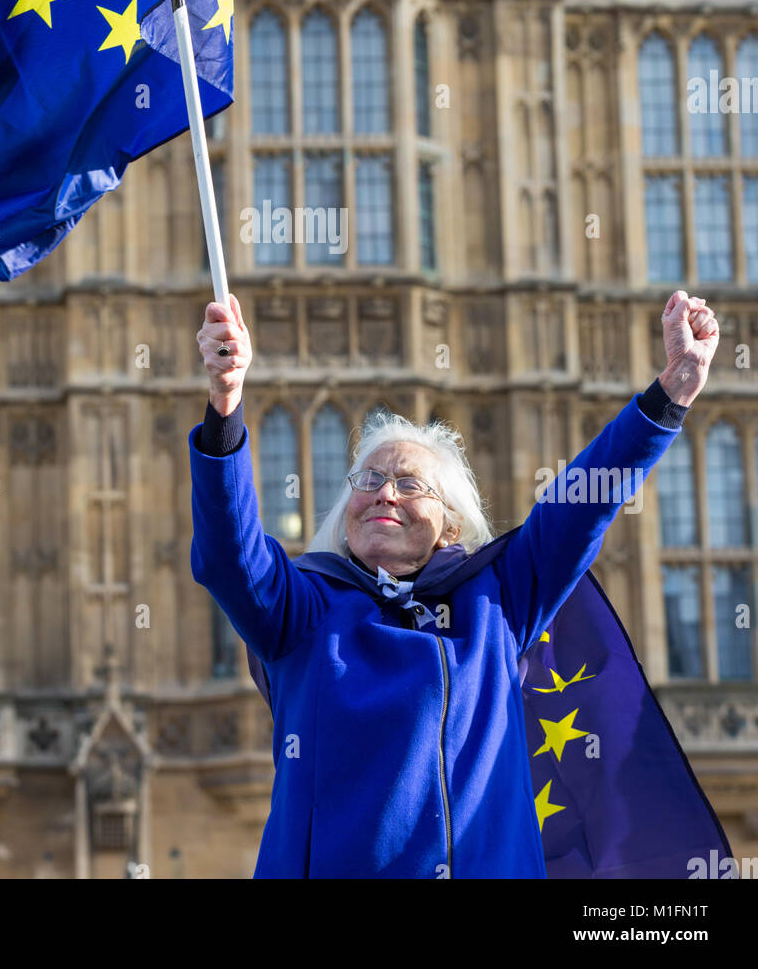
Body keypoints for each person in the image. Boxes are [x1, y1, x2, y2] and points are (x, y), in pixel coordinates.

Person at [189, 290, 722, 879]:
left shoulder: (499, 598)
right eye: (368, 480)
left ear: (451, 526)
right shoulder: (304, 611)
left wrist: (670, 394)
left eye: (410, 484)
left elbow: (584, 501)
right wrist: (226, 404)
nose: (385, 492)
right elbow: (227, 554)